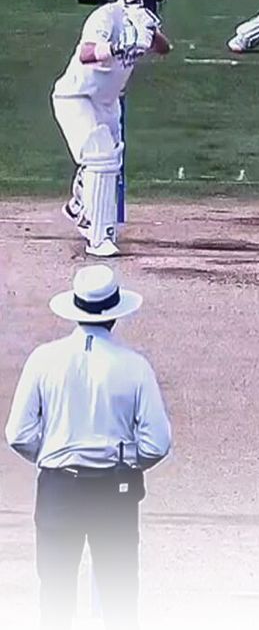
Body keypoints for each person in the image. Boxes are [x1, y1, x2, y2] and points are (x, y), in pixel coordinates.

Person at [6, 266, 172, 630]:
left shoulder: (43, 359)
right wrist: (125, 460)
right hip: (112, 490)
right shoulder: (134, 367)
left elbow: (18, 433)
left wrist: (52, 456)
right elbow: (157, 442)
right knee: (118, 596)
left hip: (57, 487)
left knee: (54, 595)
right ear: (115, 315)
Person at [54, 0, 172, 256]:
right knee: (99, 158)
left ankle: (79, 204)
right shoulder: (106, 16)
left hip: (108, 102)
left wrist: (150, 35)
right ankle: (97, 237)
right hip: (77, 97)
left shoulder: (143, 19)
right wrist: (120, 47)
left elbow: (164, 48)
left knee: (110, 163)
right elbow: (86, 54)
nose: (157, 3)